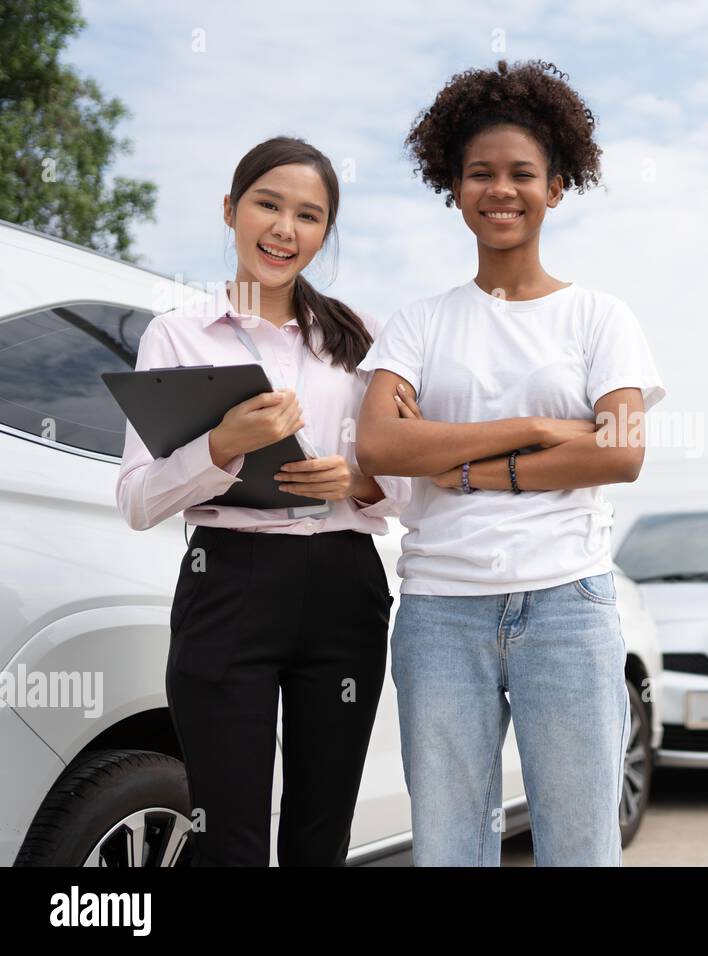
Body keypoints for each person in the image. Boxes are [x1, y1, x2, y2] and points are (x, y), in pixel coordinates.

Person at [355, 59, 665, 866]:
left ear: (556, 186)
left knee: (580, 844)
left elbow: (622, 451)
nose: (501, 190)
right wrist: (538, 427)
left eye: (522, 174)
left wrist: (459, 467)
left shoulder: (601, 317)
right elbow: (383, 446)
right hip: (440, 609)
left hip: (568, 603)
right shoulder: (418, 324)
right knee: (450, 847)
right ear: (454, 188)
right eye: (479, 174)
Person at [115, 136, 411, 865]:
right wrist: (220, 448)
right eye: (268, 205)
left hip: (344, 587)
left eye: (308, 216)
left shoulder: (363, 338)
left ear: (324, 233)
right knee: (231, 834)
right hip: (229, 585)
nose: (285, 228)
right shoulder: (178, 335)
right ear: (231, 210)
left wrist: (355, 481)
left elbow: (406, 484)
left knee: (321, 829)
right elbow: (135, 500)